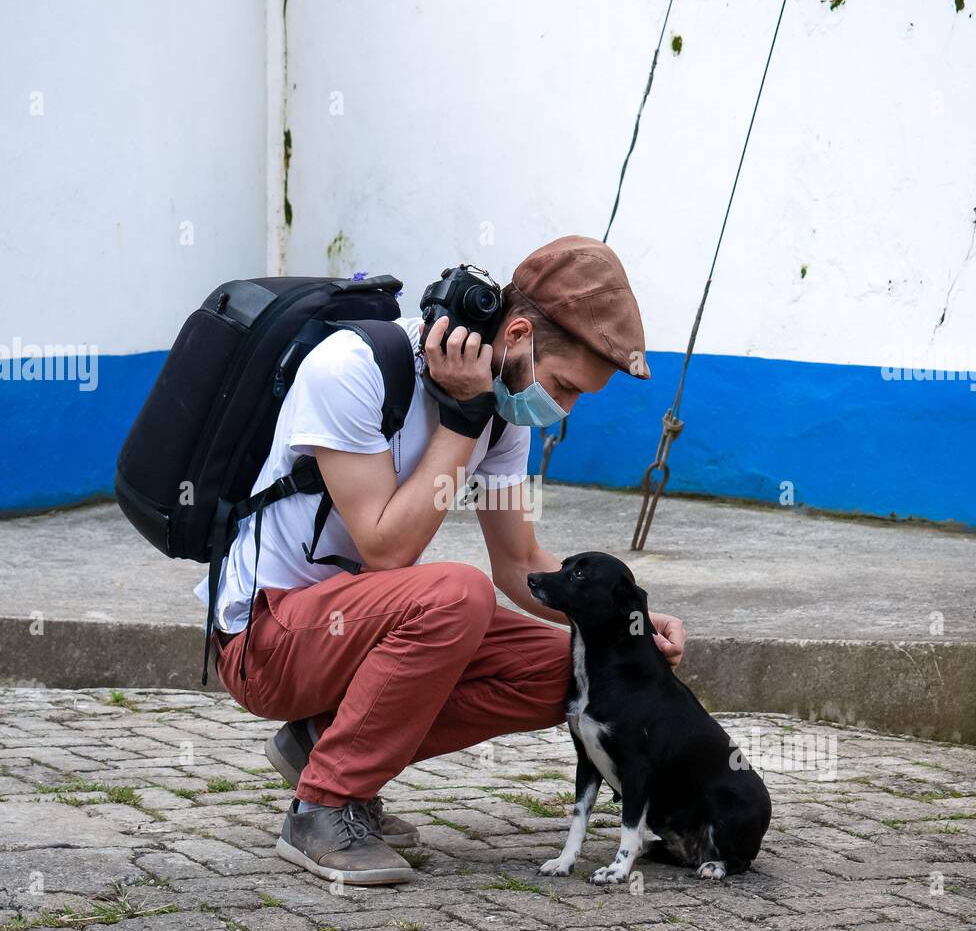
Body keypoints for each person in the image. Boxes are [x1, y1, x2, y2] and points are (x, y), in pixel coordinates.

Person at [197, 235, 686, 885]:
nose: (562, 410)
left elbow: (520, 562)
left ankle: (321, 743)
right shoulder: (352, 369)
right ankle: (324, 806)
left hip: (359, 632)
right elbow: (385, 548)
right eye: (564, 385)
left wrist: (627, 627)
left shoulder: (504, 417)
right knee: (456, 594)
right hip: (267, 637)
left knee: (575, 670)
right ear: (517, 335)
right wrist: (464, 419)